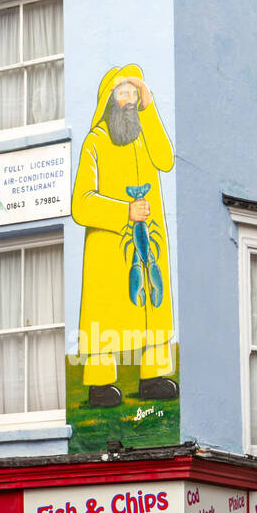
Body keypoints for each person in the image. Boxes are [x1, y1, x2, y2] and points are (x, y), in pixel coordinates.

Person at [72, 65, 178, 408]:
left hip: (150, 241)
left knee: (154, 303)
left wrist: (151, 107)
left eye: (134, 93)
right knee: (105, 312)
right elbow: (81, 204)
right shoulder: (95, 142)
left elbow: (165, 159)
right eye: (123, 93)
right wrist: (124, 212)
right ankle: (100, 384)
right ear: (109, 100)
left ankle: (153, 376)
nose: (130, 100)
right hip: (108, 247)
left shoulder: (146, 135)